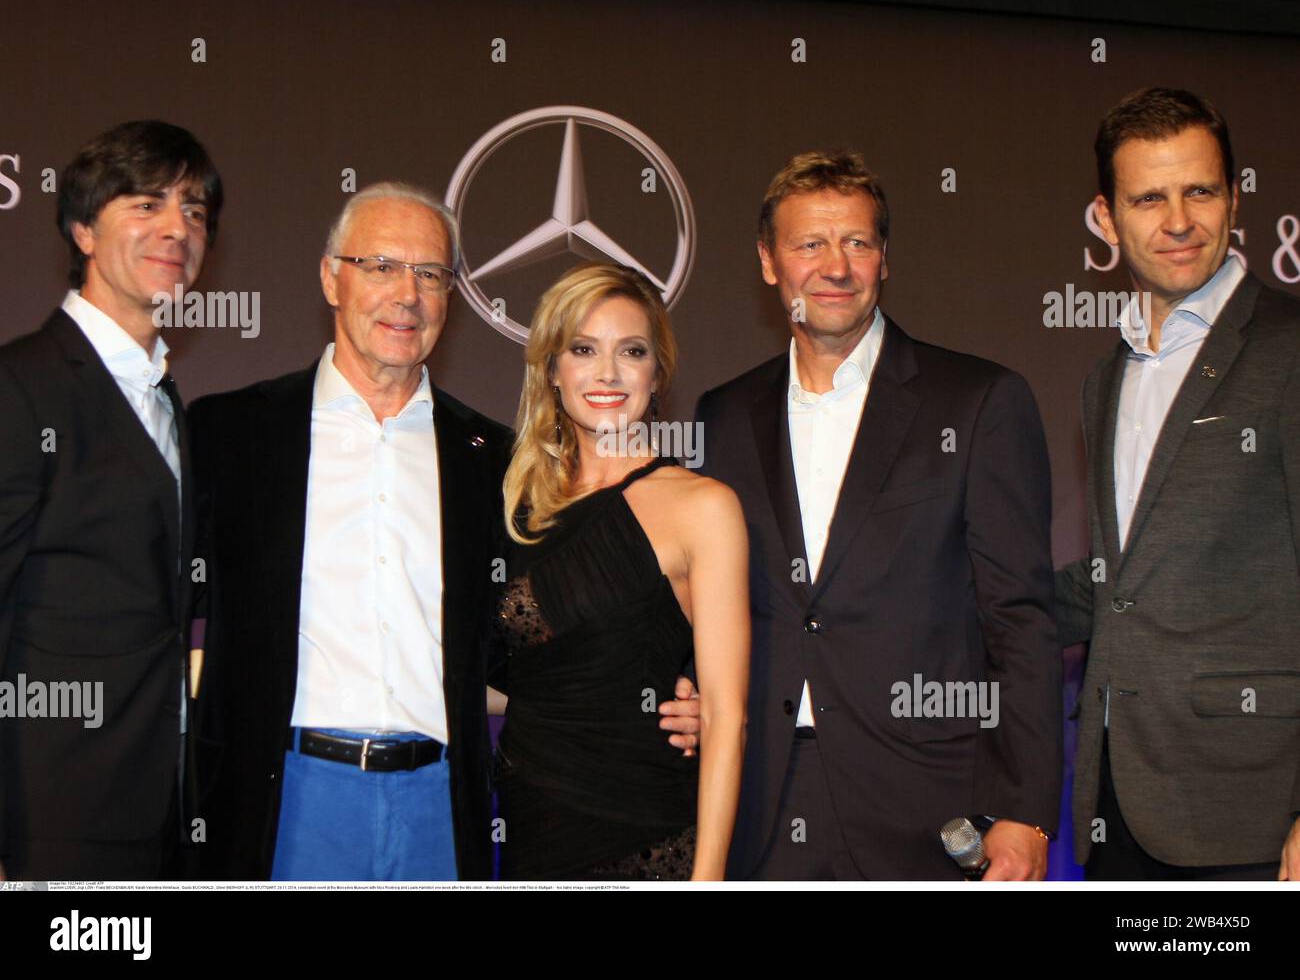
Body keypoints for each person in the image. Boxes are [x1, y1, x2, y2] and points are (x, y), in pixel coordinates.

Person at [188, 187, 701, 881]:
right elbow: (146, 616)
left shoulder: (495, 461)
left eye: (430, 274)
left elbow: (540, 637)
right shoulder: (232, 434)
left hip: (438, 807)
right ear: (329, 277)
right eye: (380, 266)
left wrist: (676, 692)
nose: (408, 294)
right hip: (281, 803)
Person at [694, 150, 1062, 880]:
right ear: (769, 263)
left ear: (883, 260)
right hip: (760, 800)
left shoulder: (979, 401)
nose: (836, 266)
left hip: (926, 808)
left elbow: (1021, 620)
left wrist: (1025, 810)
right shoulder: (724, 416)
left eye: (857, 242)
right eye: (809, 244)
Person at [1055, 88, 1300, 881]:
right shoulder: (1107, 377)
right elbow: (1117, 581)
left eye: (1199, 190)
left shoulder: (1290, 350)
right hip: (1117, 796)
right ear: (1106, 216)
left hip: (1254, 811)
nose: (1179, 220)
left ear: (1233, 197)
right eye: (1148, 197)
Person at [0, 120, 222, 879]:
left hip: (159, 816)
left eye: (194, 211)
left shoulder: (166, 401)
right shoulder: (20, 386)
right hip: (48, 819)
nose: (177, 229)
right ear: (83, 229)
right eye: (147, 204)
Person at [490, 262, 749, 880]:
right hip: (534, 825)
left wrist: (707, 879)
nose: (607, 373)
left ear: (656, 373)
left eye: (630, 351)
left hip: (647, 835)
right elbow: (508, 677)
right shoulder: (515, 507)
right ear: (552, 370)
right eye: (583, 349)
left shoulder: (703, 506)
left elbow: (723, 715)